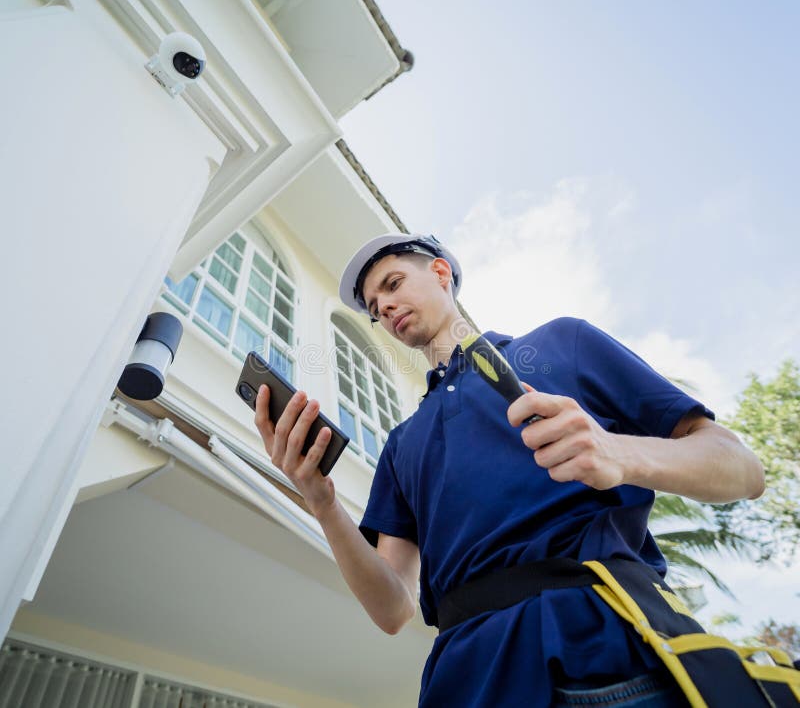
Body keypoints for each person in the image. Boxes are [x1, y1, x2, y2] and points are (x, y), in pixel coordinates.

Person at [253, 233, 765, 707]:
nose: (384, 308)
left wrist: (618, 453)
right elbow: (393, 609)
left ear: (439, 272)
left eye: (391, 284)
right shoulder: (400, 445)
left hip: (601, 657)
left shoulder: (563, 343)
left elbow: (742, 469)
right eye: (373, 309)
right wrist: (322, 503)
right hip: (461, 682)